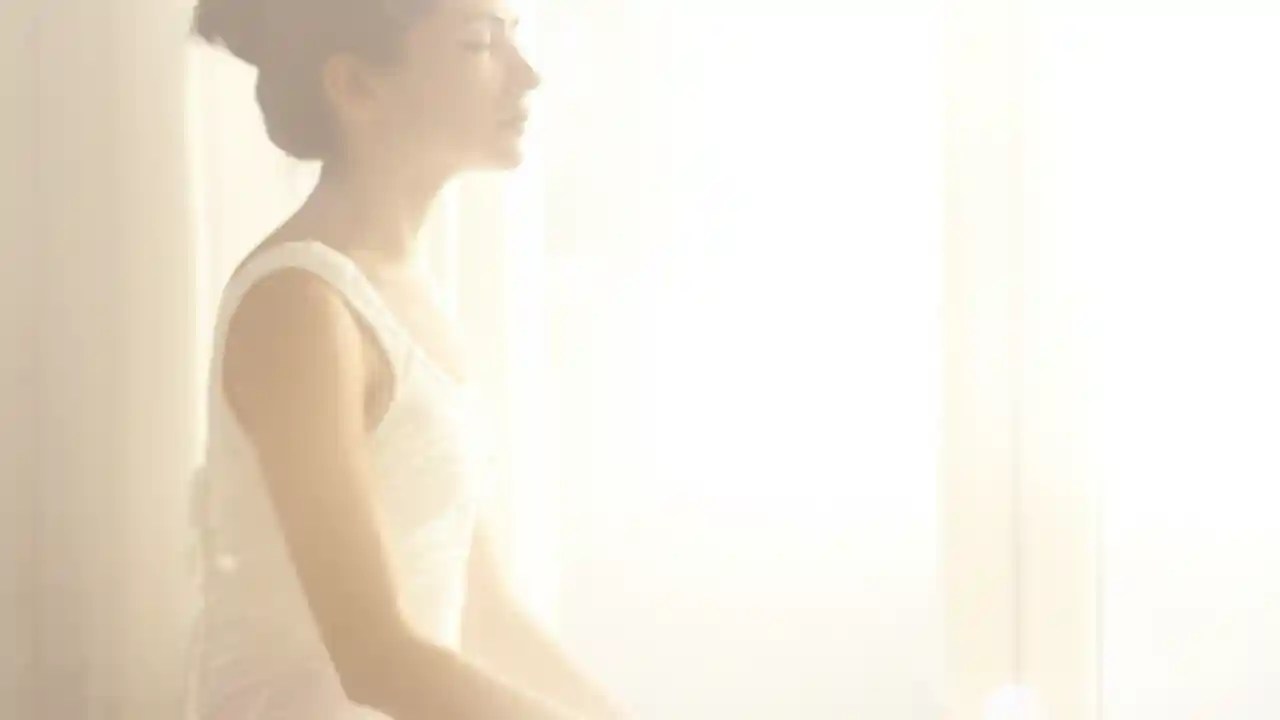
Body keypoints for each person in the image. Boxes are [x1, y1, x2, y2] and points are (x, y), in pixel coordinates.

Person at [186, 1, 625, 718]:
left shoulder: (409, 295)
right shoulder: (300, 305)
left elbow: (483, 614)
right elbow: (377, 660)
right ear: (356, 85)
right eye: (481, 45)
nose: (529, 75)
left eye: (513, 39)